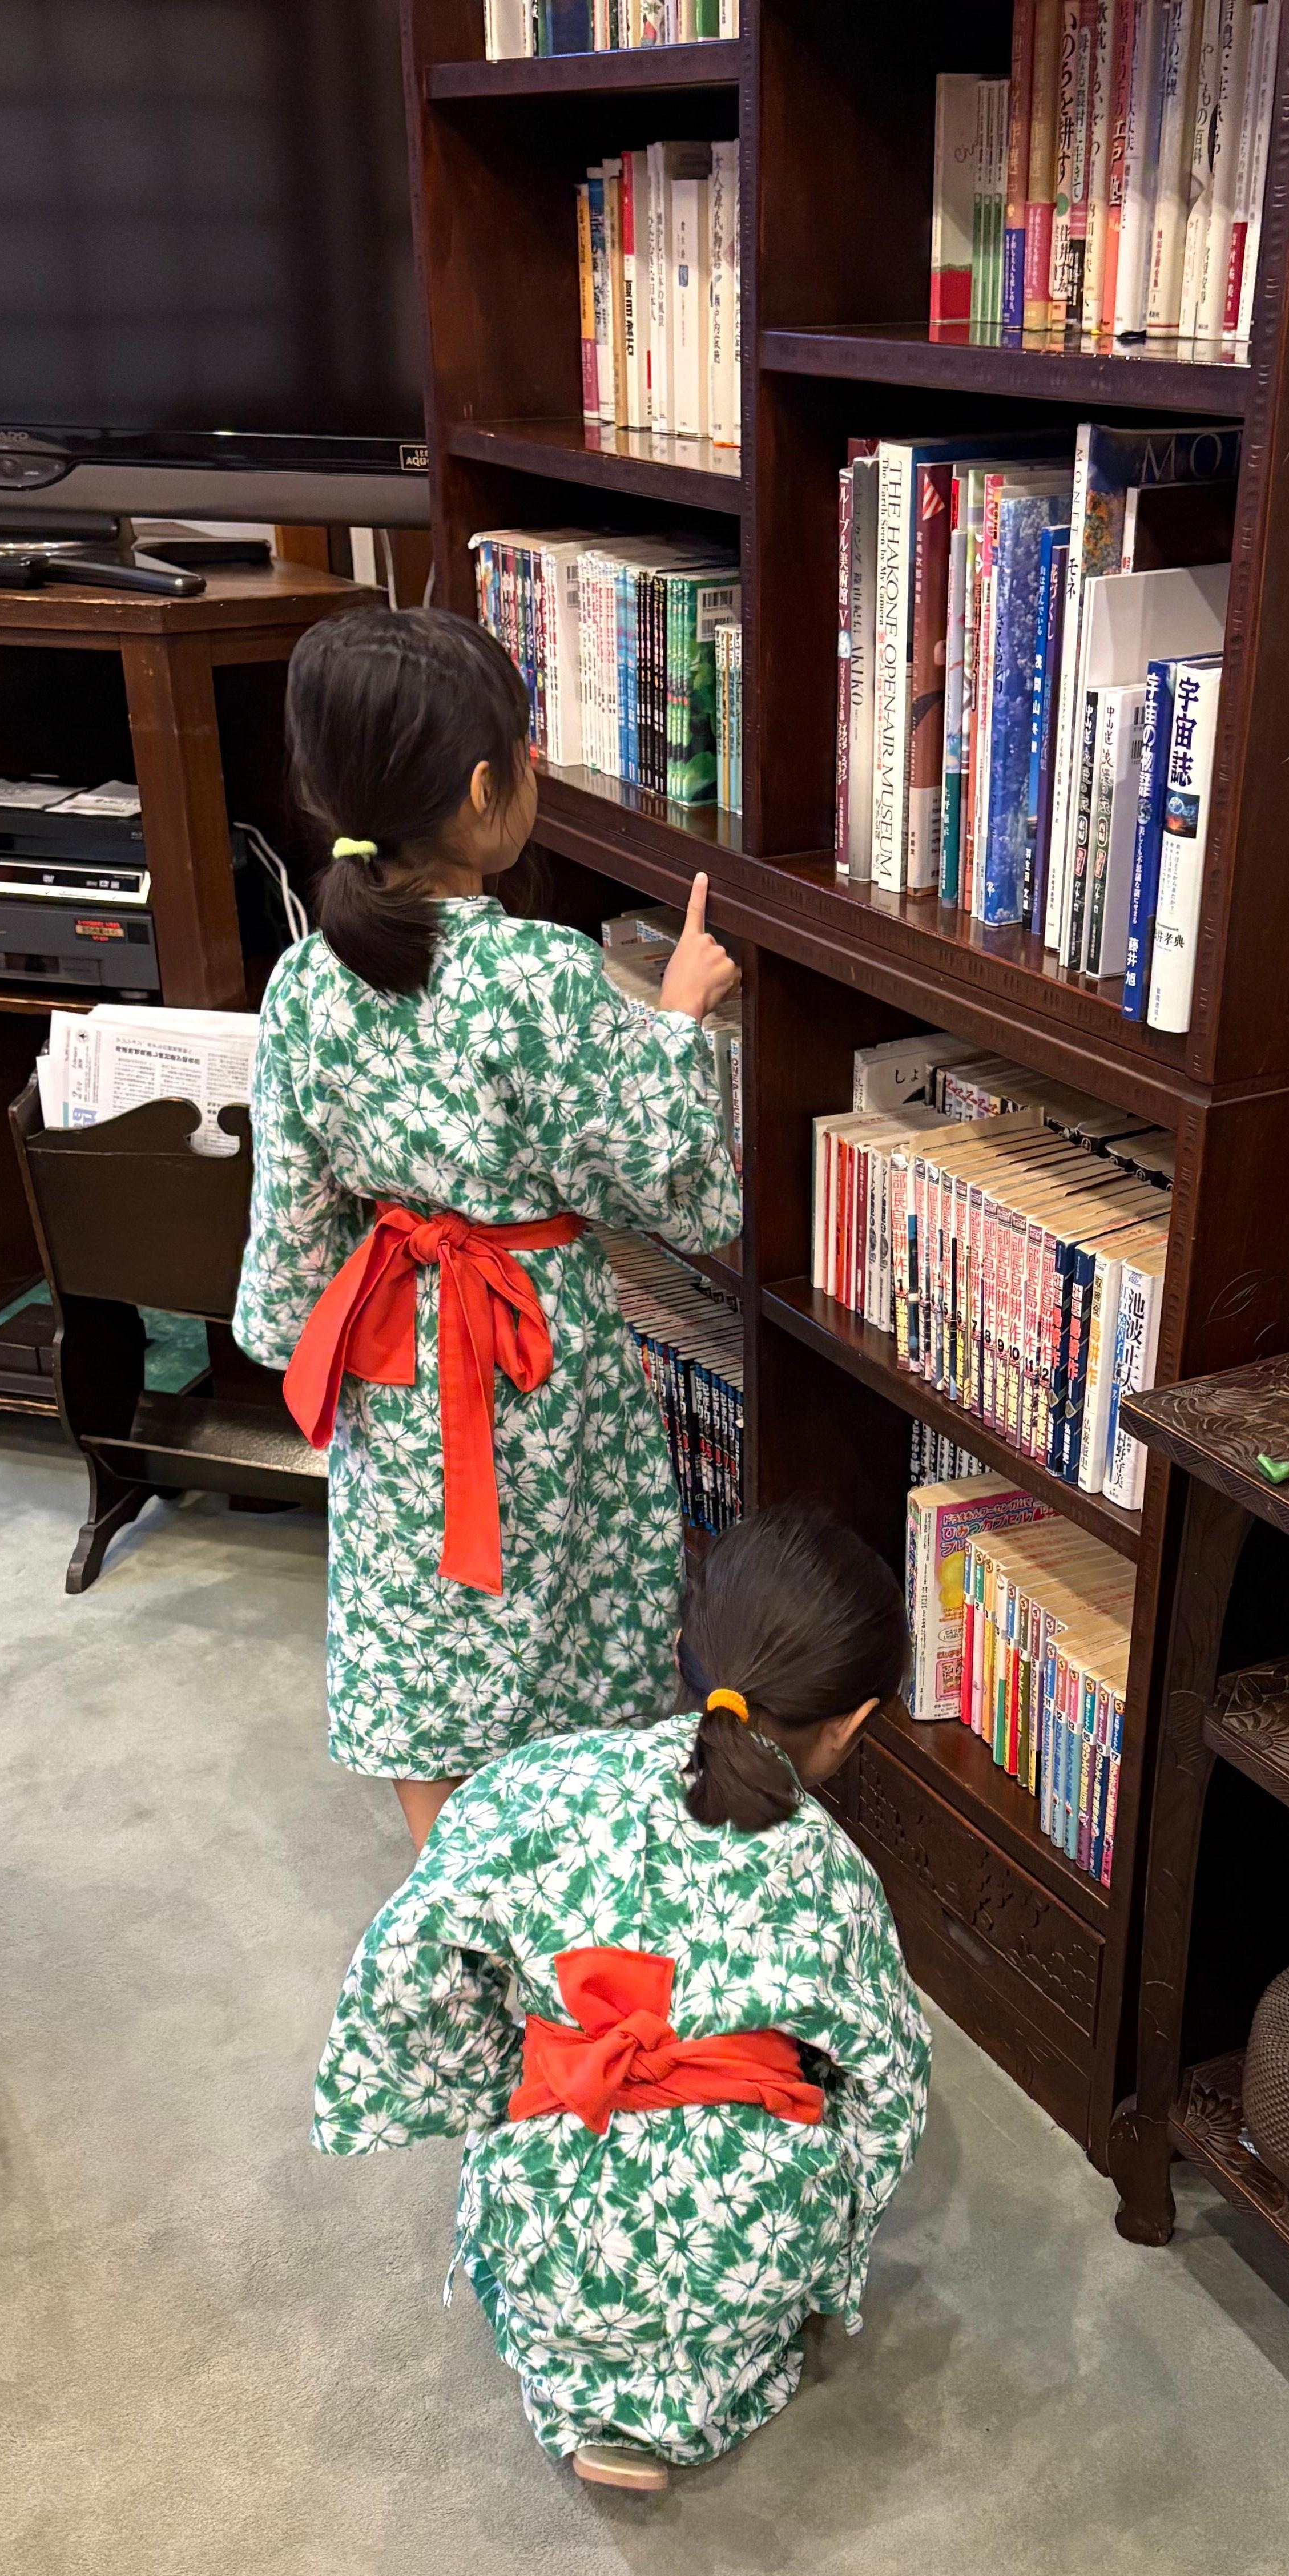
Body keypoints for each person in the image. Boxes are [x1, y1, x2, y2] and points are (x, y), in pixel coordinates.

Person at [234, 604, 742, 1849]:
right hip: (538, 1356)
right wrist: (678, 1020)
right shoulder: (544, 978)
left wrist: (304, 1337)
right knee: (577, 1606)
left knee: (425, 1622)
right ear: (483, 789)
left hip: (397, 1353)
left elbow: (294, 1231)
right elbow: (681, 1192)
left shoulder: (304, 980)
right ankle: (571, 1886)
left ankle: (449, 1892)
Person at [312, 1501, 933, 2492]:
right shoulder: (831, 1869)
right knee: (789, 2183)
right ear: (850, 1725)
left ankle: (575, 2377)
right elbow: (891, 2091)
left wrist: (500, 2083)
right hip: (740, 2246)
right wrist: (837, 2244)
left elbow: (411, 1953)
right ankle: (715, 2369)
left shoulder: (532, 1785)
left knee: (527, 2149)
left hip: (545, 2221)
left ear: (686, 1642)